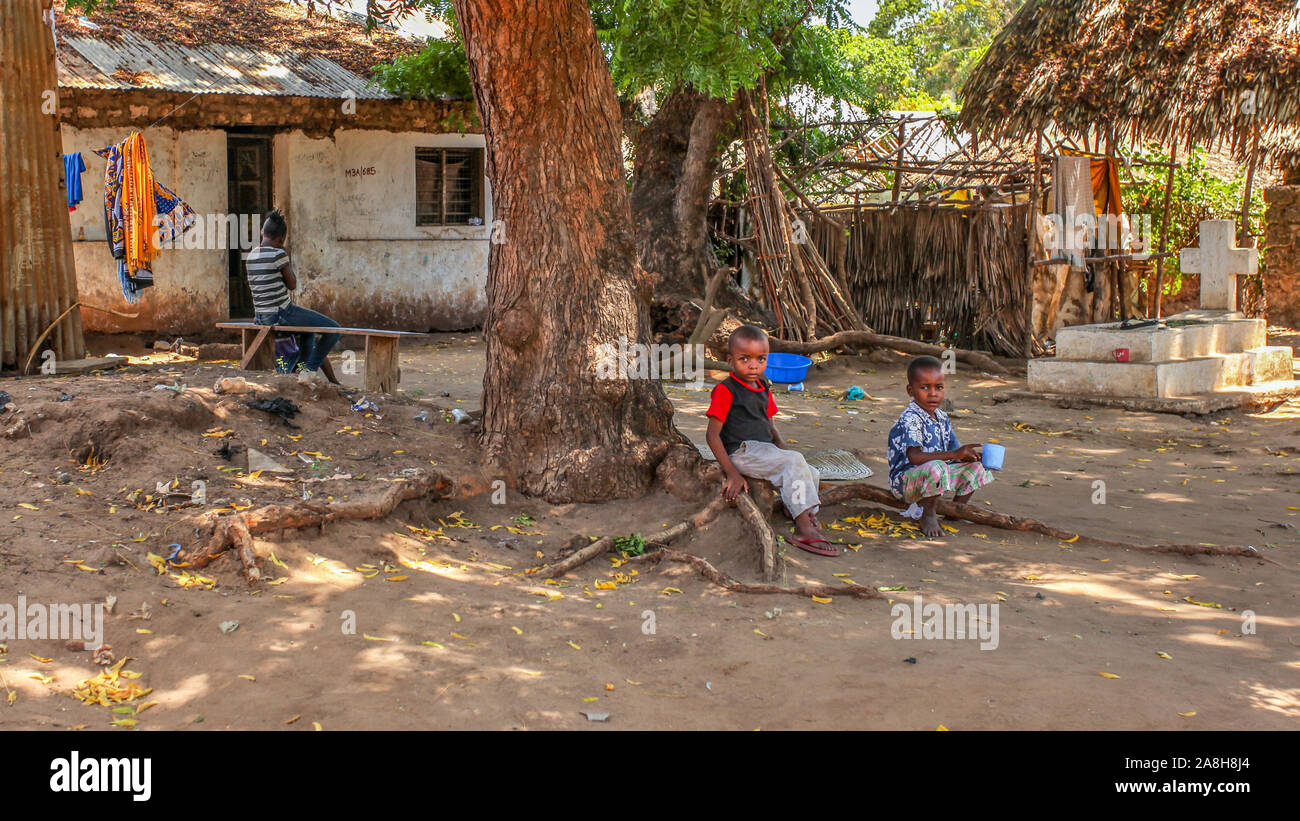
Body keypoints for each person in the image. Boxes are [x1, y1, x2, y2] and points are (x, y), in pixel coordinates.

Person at [705, 324, 835, 556]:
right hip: (742, 452)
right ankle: (803, 529)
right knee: (793, 463)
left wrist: (782, 446)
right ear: (730, 360)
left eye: (760, 359)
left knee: (808, 470)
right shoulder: (725, 390)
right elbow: (712, 435)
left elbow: (769, 421)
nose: (753, 365)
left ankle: (798, 510)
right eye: (744, 359)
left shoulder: (764, 384)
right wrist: (732, 473)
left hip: (764, 449)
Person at [886, 355, 994, 538]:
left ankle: (956, 510)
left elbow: (955, 451)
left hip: (935, 478)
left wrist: (972, 457)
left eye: (939, 387)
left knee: (976, 467)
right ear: (910, 390)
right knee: (937, 466)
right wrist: (954, 454)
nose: (933, 393)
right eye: (924, 387)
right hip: (906, 483)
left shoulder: (942, 417)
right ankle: (927, 513)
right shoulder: (911, 418)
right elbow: (914, 457)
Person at [245, 210, 340, 384]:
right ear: (281, 239)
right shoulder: (279, 254)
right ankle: (309, 369)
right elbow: (292, 285)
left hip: (261, 316)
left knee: (308, 333)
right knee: (334, 329)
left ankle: (302, 370)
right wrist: (286, 256)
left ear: (262, 233)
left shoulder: (251, 256)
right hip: (281, 313)